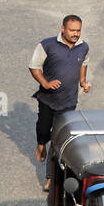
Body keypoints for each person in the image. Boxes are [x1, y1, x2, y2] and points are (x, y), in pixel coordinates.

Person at [29, 14, 91, 169]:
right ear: (63, 29)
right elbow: (34, 66)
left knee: (58, 138)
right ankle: (41, 143)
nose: (75, 34)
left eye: (78, 30)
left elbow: (84, 62)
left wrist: (83, 81)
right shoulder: (47, 45)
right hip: (47, 99)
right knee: (44, 129)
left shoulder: (84, 47)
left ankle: (50, 176)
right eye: (72, 30)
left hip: (69, 102)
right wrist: (45, 83)